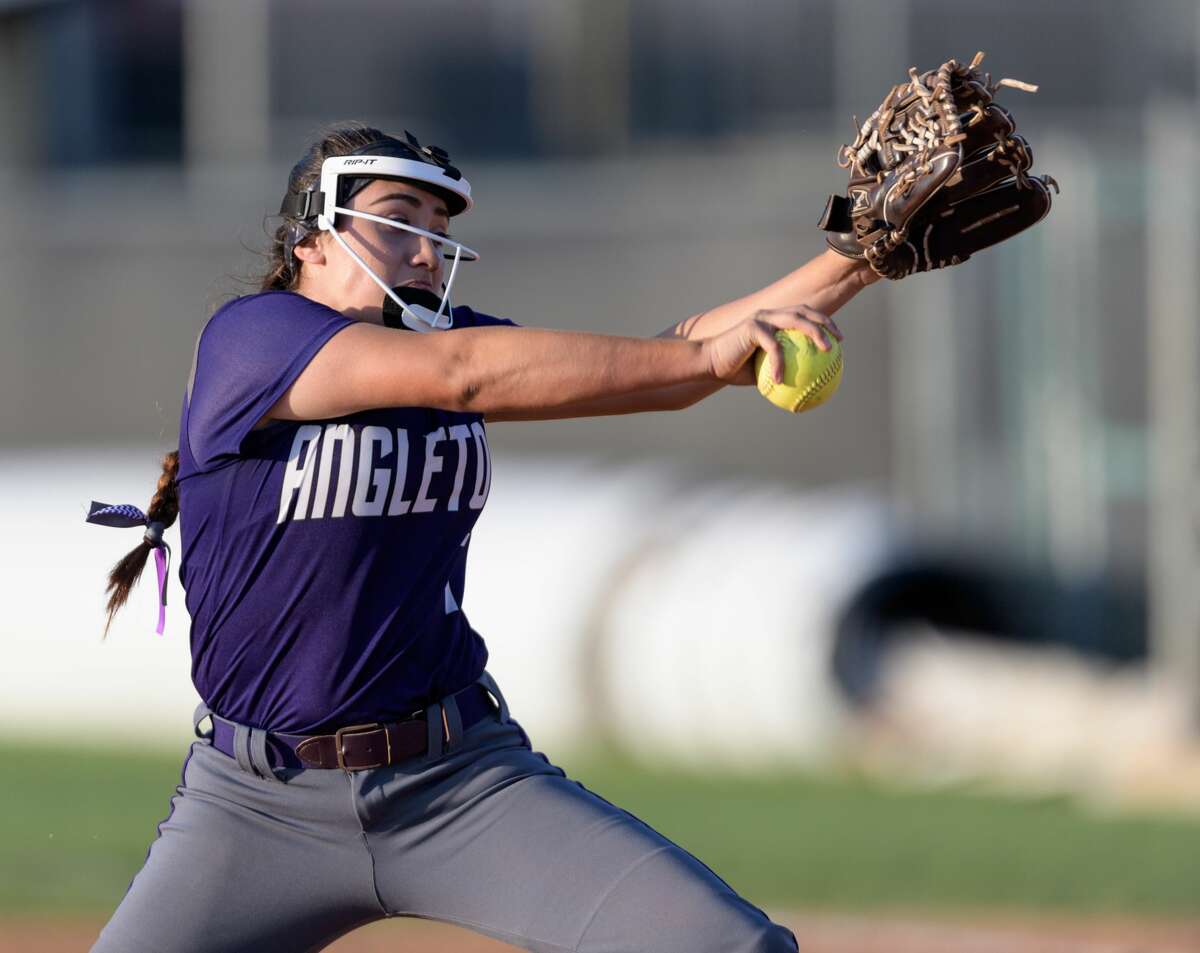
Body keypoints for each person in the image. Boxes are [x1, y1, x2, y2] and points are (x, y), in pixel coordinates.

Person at [87, 122, 878, 953]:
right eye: (400, 220)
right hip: (256, 802)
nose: (427, 249)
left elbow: (670, 357)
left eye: (440, 229)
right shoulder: (255, 337)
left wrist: (862, 256)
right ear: (310, 239)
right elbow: (464, 375)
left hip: (457, 778)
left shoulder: (442, 340)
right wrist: (708, 362)